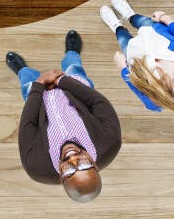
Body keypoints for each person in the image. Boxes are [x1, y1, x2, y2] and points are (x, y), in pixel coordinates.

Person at [6, 30, 121, 202]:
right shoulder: (110, 142)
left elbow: (27, 125)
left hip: (39, 100)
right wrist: (62, 81)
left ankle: (22, 70)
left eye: (68, 170)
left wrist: (38, 86)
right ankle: (72, 52)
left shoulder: (36, 168)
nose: (72, 157)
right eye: (82, 164)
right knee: (73, 66)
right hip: (73, 85)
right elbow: (98, 102)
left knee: (27, 81)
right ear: (95, 165)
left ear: (61, 178)